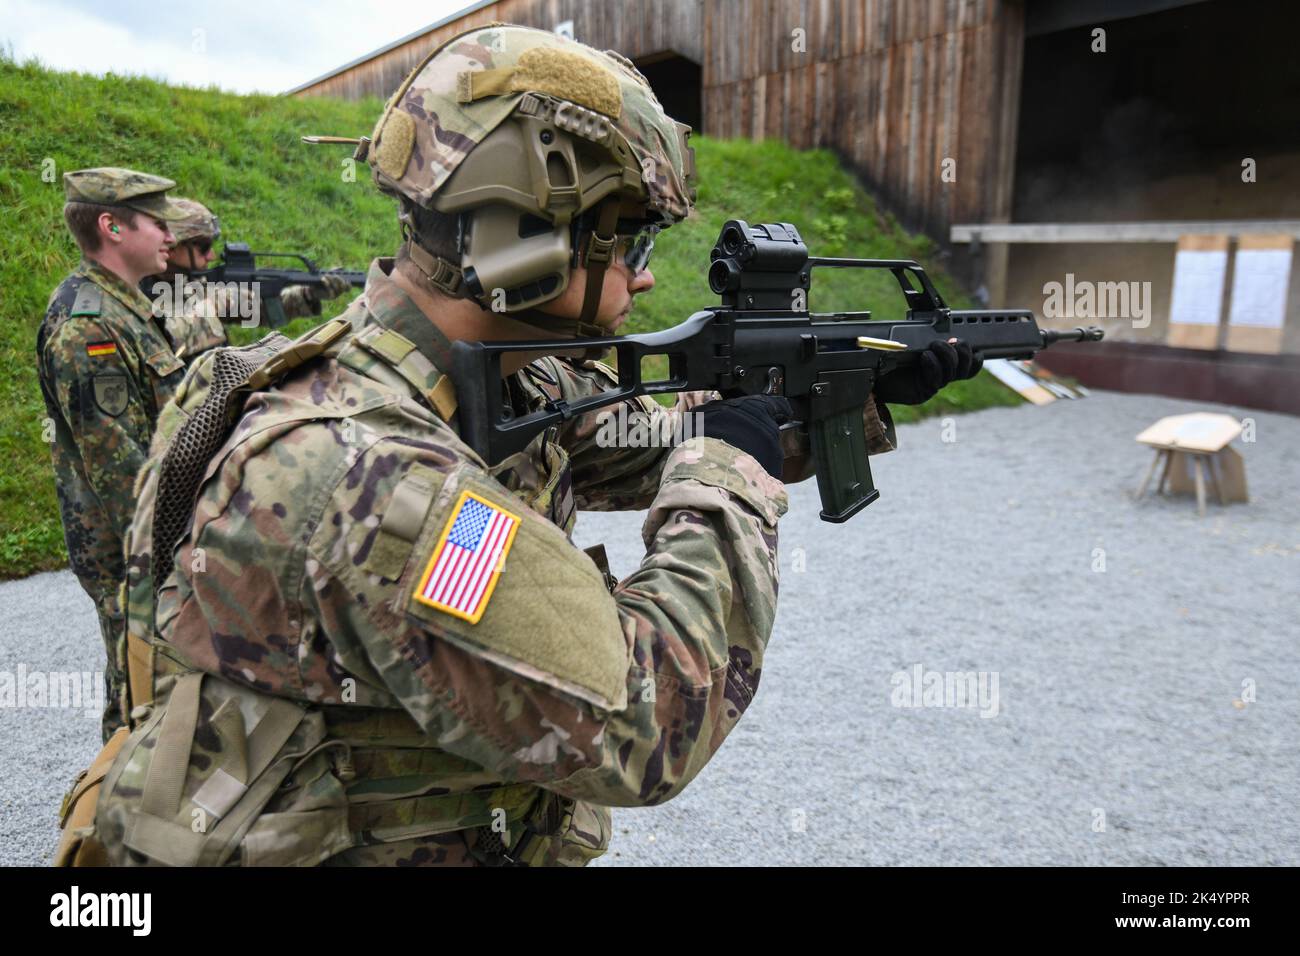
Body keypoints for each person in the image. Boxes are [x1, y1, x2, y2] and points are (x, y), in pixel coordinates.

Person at [91, 25, 978, 866]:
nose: (647, 272)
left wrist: (837, 397)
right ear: (529, 245)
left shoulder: (466, 373)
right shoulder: (371, 474)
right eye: (628, 239)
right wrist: (731, 475)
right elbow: (646, 719)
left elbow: (645, 438)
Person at [35, 167, 186, 742]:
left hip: (146, 548)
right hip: (134, 555)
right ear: (112, 227)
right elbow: (122, 472)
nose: (169, 234)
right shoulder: (89, 327)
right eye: (156, 222)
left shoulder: (122, 308)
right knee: (139, 702)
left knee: (145, 689)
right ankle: (111, 820)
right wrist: (172, 556)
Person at [144, 197, 354, 361]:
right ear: (172, 244)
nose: (211, 256)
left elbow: (264, 310)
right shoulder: (135, 288)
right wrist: (213, 307)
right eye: (204, 247)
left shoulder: (191, 282)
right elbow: (155, 345)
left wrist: (308, 292)